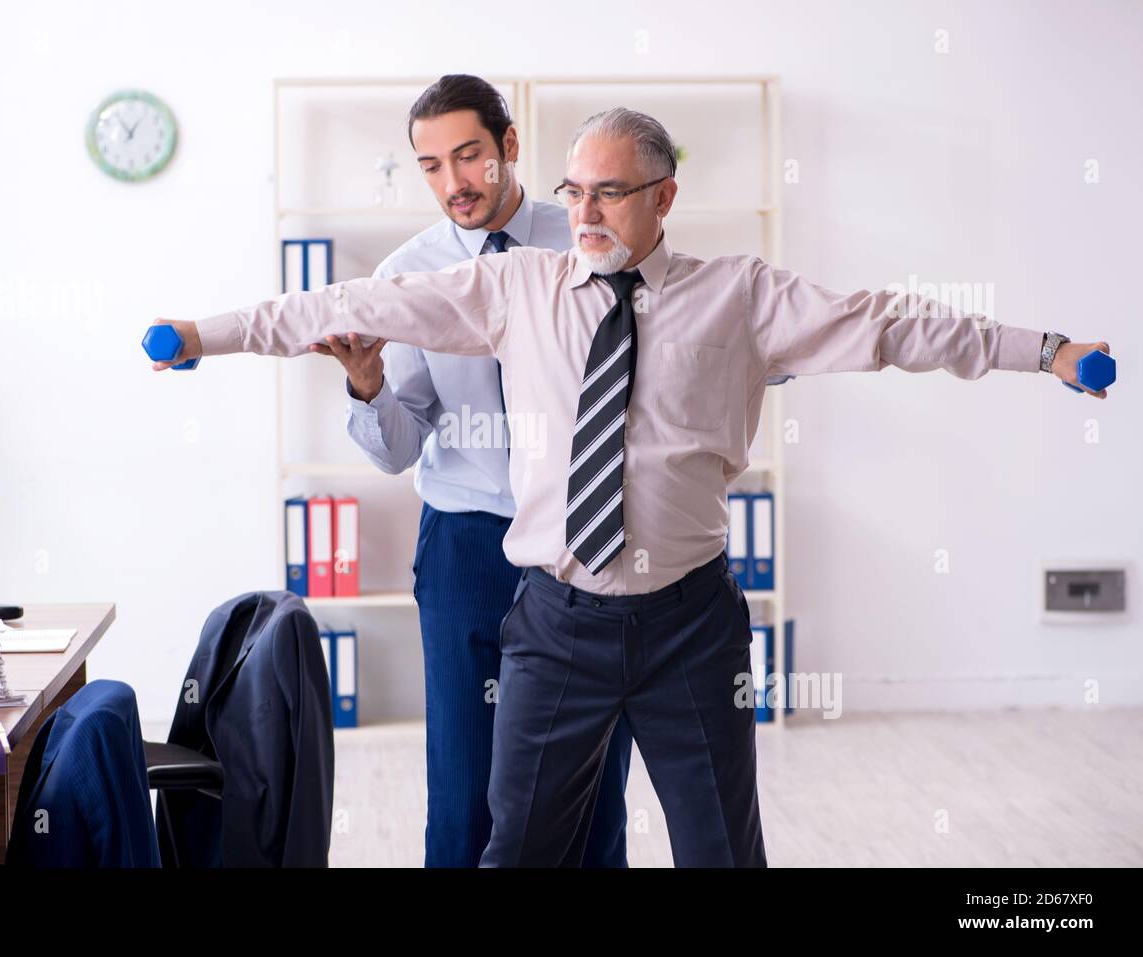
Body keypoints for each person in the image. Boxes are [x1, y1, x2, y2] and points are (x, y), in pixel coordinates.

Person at [149, 107, 1109, 866]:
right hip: (556, 626)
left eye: (613, 194)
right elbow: (344, 304)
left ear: (666, 196)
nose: (588, 214)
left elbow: (894, 324)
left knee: (723, 850)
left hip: (691, 627)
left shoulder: (739, 295)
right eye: (576, 193)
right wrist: (203, 335)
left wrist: (1048, 351)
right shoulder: (514, 287)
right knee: (517, 846)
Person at [308, 74, 632, 868]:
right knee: (464, 790)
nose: (453, 183)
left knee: (589, 790)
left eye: (468, 157)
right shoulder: (406, 275)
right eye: (430, 166)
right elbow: (396, 448)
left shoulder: (585, 239)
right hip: (465, 545)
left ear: (509, 148)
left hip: (581, 541)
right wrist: (368, 386)